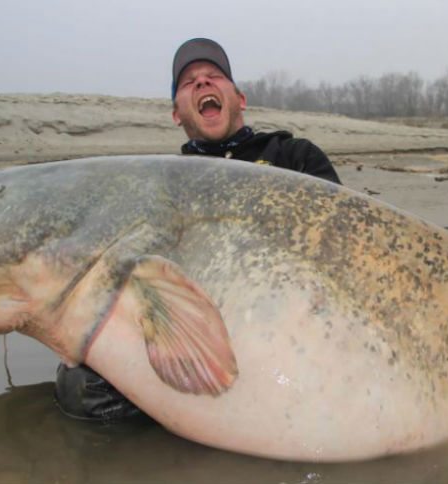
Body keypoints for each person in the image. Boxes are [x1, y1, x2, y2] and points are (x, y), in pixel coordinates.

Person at [54, 38, 341, 420]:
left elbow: (341, 243)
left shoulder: (294, 155)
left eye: (214, 76)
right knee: (80, 388)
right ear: (176, 114)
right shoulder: (162, 186)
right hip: (195, 330)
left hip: (293, 321)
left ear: (239, 98)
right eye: (189, 82)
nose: (203, 84)